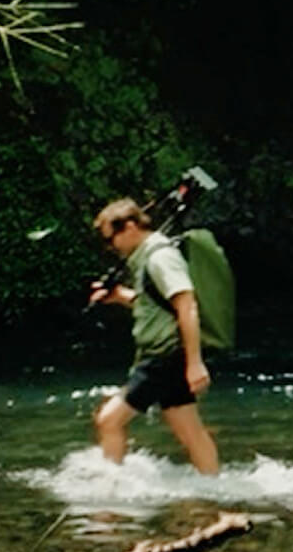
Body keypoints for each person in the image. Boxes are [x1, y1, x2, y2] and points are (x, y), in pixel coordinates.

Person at [87, 196, 220, 474]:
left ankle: (109, 492)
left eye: (112, 240)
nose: (111, 248)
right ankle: (215, 489)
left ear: (131, 227)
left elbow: (186, 304)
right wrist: (121, 296)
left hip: (164, 356)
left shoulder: (160, 257)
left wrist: (195, 363)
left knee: (109, 420)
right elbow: (155, 305)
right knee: (190, 430)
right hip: (169, 355)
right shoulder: (147, 257)